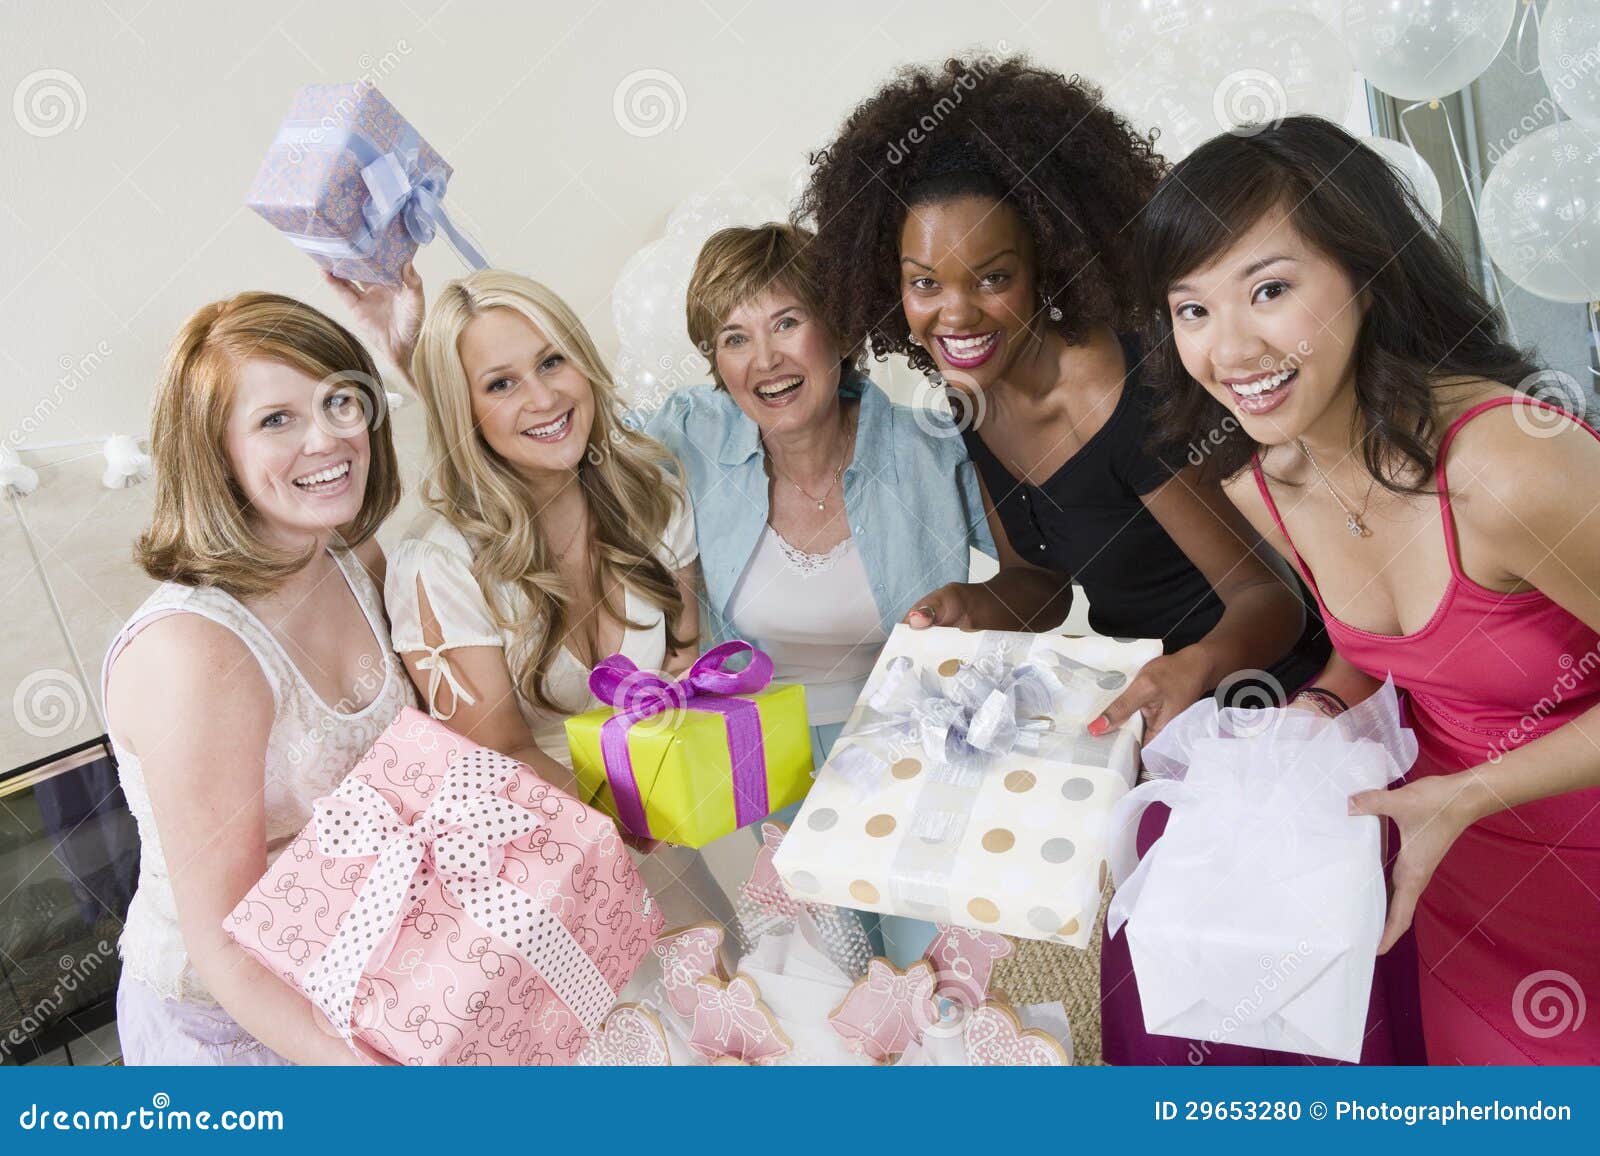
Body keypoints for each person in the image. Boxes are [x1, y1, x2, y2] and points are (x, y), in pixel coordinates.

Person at [801, 56, 1332, 1062]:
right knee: (1159, 1015)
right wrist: (970, 604)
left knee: (1254, 1019)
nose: (954, 314)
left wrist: (1187, 669)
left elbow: (1272, 599)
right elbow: (1041, 589)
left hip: (1267, 717)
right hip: (1156, 729)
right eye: (923, 283)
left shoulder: (1130, 394)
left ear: (1046, 264)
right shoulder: (973, 394)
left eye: (991, 278)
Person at [1138, 114, 1600, 1064]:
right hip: (1462, 883)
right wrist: (1317, 706)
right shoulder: (1268, 485)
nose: (1230, 349)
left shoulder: (1510, 465)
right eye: (1192, 310)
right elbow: (1392, 650)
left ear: (1366, 274)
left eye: (1269, 290)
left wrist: (1471, 791)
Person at [328, 267, 732, 936]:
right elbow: (502, 755)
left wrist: (694, 790)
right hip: (543, 879)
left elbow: (684, 662)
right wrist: (640, 825)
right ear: (464, 410)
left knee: (737, 985)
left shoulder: (652, 494)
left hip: (669, 843)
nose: (544, 398)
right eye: (500, 384)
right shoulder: (439, 563)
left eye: (552, 361)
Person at [639, 222, 995, 962]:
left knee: (931, 971)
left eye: (787, 322)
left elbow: (1049, 548)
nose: (765, 360)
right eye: (734, 338)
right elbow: (560, 441)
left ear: (839, 330)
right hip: (772, 761)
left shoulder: (929, 450)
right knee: (831, 974)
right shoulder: (689, 439)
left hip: (913, 751)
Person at [105, 293, 412, 1064]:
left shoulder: (355, 559)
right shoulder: (195, 653)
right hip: (237, 1026)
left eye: (340, 401)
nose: (328, 438)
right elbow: (229, 947)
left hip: (362, 974)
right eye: (277, 420)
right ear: (215, 456)